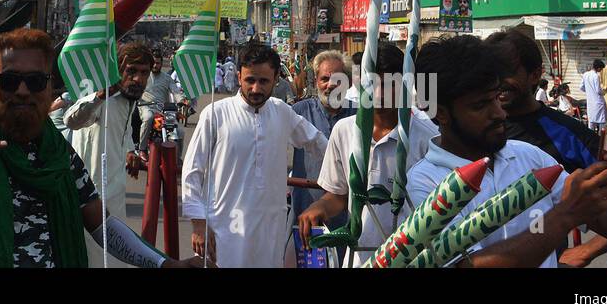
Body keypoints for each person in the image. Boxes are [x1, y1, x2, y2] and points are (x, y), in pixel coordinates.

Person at [0, 28, 201, 268]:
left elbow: (102, 227)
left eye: (35, 81)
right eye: (10, 80)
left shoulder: (60, 156)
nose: (23, 91)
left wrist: (163, 262)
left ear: (49, 90)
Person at [408, 35, 607, 267]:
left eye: (496, 98)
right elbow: (468, 265)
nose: (499, 113)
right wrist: (566, 214)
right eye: (480, 105)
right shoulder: (426, 183)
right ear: (441, 113)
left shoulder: (529, 156)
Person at [485, 29, 607, 268]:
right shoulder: (475, 130)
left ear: (535, 75)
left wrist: (585, 250)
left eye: (508, 71)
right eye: (491, 73)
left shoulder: (564, 133)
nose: (498, 81)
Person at [181, 44, 327, 267]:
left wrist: (349, 170)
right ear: (239, 76)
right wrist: (199, 224)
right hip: (224, 226)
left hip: (270, 228)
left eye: (264, 81)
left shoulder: (282, 112)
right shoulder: (215, 113)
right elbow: (192, 171)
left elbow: (318, 143)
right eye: (250, 80)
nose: (256, 88)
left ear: (276, 78)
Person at [299, 42, 437, 266]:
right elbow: (339, 195)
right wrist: (320, 207)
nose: (380, 93)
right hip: (358, 257)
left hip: (411, 259)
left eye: (390, 84)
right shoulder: (344, 131)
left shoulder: (426, 138)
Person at [65, 42, 153, 236]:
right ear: (118, 69)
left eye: (144, 72)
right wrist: (99, 97)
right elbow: (71, 120)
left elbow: (126, 127)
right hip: (89, 201)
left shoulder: (129, 98)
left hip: (116, 197)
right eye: (131, 71)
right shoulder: (102, 97)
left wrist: (130, 150)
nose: (138, 79)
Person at [290, 51, 356, 225]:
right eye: (325, 79)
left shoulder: (359, 116)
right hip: (304, 211)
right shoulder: (298, 112)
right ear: (316, 82)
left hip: (346, 215)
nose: (331, 85)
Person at [137, 53, 179, 154]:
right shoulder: (143, 75)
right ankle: (142, 149)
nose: (155, 65)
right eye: (154, 63)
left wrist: (182, 100)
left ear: (161, 63)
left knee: (179, 131)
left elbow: (176, 91)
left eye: (158, 63)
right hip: (146, 107)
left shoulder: (167, 78)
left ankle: (178, 158)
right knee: (148, 118)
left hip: (163, 109)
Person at [580, 59, 607, 132]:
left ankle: (590, 138)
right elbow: (598, 90)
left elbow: (581, 87)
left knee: (591, 122)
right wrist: (604, 92)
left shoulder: (585, 74)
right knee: (601, 121)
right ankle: (600, 138)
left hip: (590, 103)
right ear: (598, 68)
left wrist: (589, 91)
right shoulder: (596, 76)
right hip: (598, 102)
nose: (601, 70)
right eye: (601, 69)